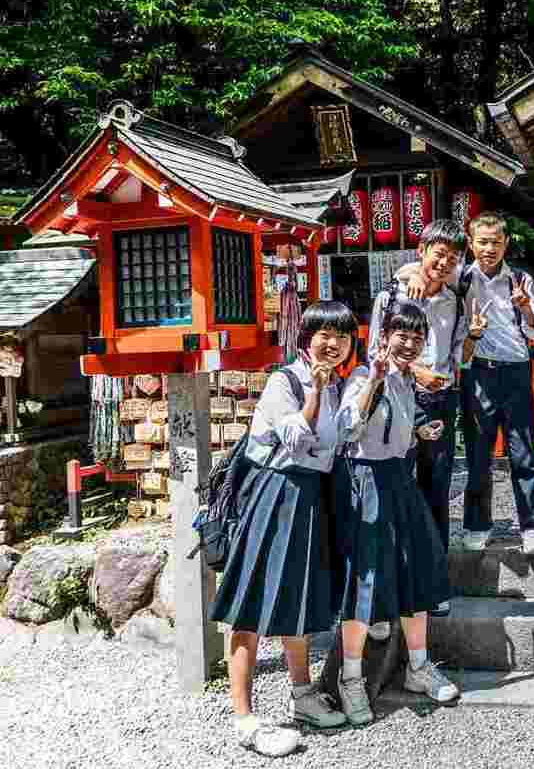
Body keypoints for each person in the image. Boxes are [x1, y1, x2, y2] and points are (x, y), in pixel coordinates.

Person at [209, 301, 357, 757]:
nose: (333, 345)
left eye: (343, 337)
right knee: (253, 604)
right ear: (305, 338)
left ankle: (302, 694)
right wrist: (314, 392)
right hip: (274, 495)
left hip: (310, 498)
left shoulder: (337, 386)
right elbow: (296, 439)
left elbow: (340, 444)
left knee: (300, 596)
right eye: (324, 335)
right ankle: (244, 717)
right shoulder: (284, 381)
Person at [405, 211, 534, 554]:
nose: (489, 249)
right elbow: (427, 268)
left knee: (524, 452)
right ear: (471, 243)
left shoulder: (520, 280)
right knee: (478, 452)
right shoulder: (462, 276)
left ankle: (531, 526)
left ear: (506, 244)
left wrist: (527, 308)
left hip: (515, 370)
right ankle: (476, 523)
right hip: (478, 372)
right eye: (482, 242)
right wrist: (411, 271)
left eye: (496, 242)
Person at [338, 301, 460, 705]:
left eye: (417, 337)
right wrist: (373, 380)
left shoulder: (409, 381)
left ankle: (418, 667)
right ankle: (351, 678)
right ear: (384, 336)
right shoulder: (362, 374)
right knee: (366, 578)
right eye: (401, 335)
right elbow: (349, 429)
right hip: (366, 481)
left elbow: (395, 430)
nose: (409, 344)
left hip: (399, 480)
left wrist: (420, 431)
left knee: (415, 570)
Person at [372, 220, 469, 617]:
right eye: (438, 252)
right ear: (421, 250)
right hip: (396, 400)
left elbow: (458, 352)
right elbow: (374, 354)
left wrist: (442, 376)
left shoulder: (456, 302)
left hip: (439, 403)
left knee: (435, 492)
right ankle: (393, 581)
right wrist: (414, 373)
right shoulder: (392, 297)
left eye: (452, 256)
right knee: (393, 486)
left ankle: (433, 583)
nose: (443, 262)